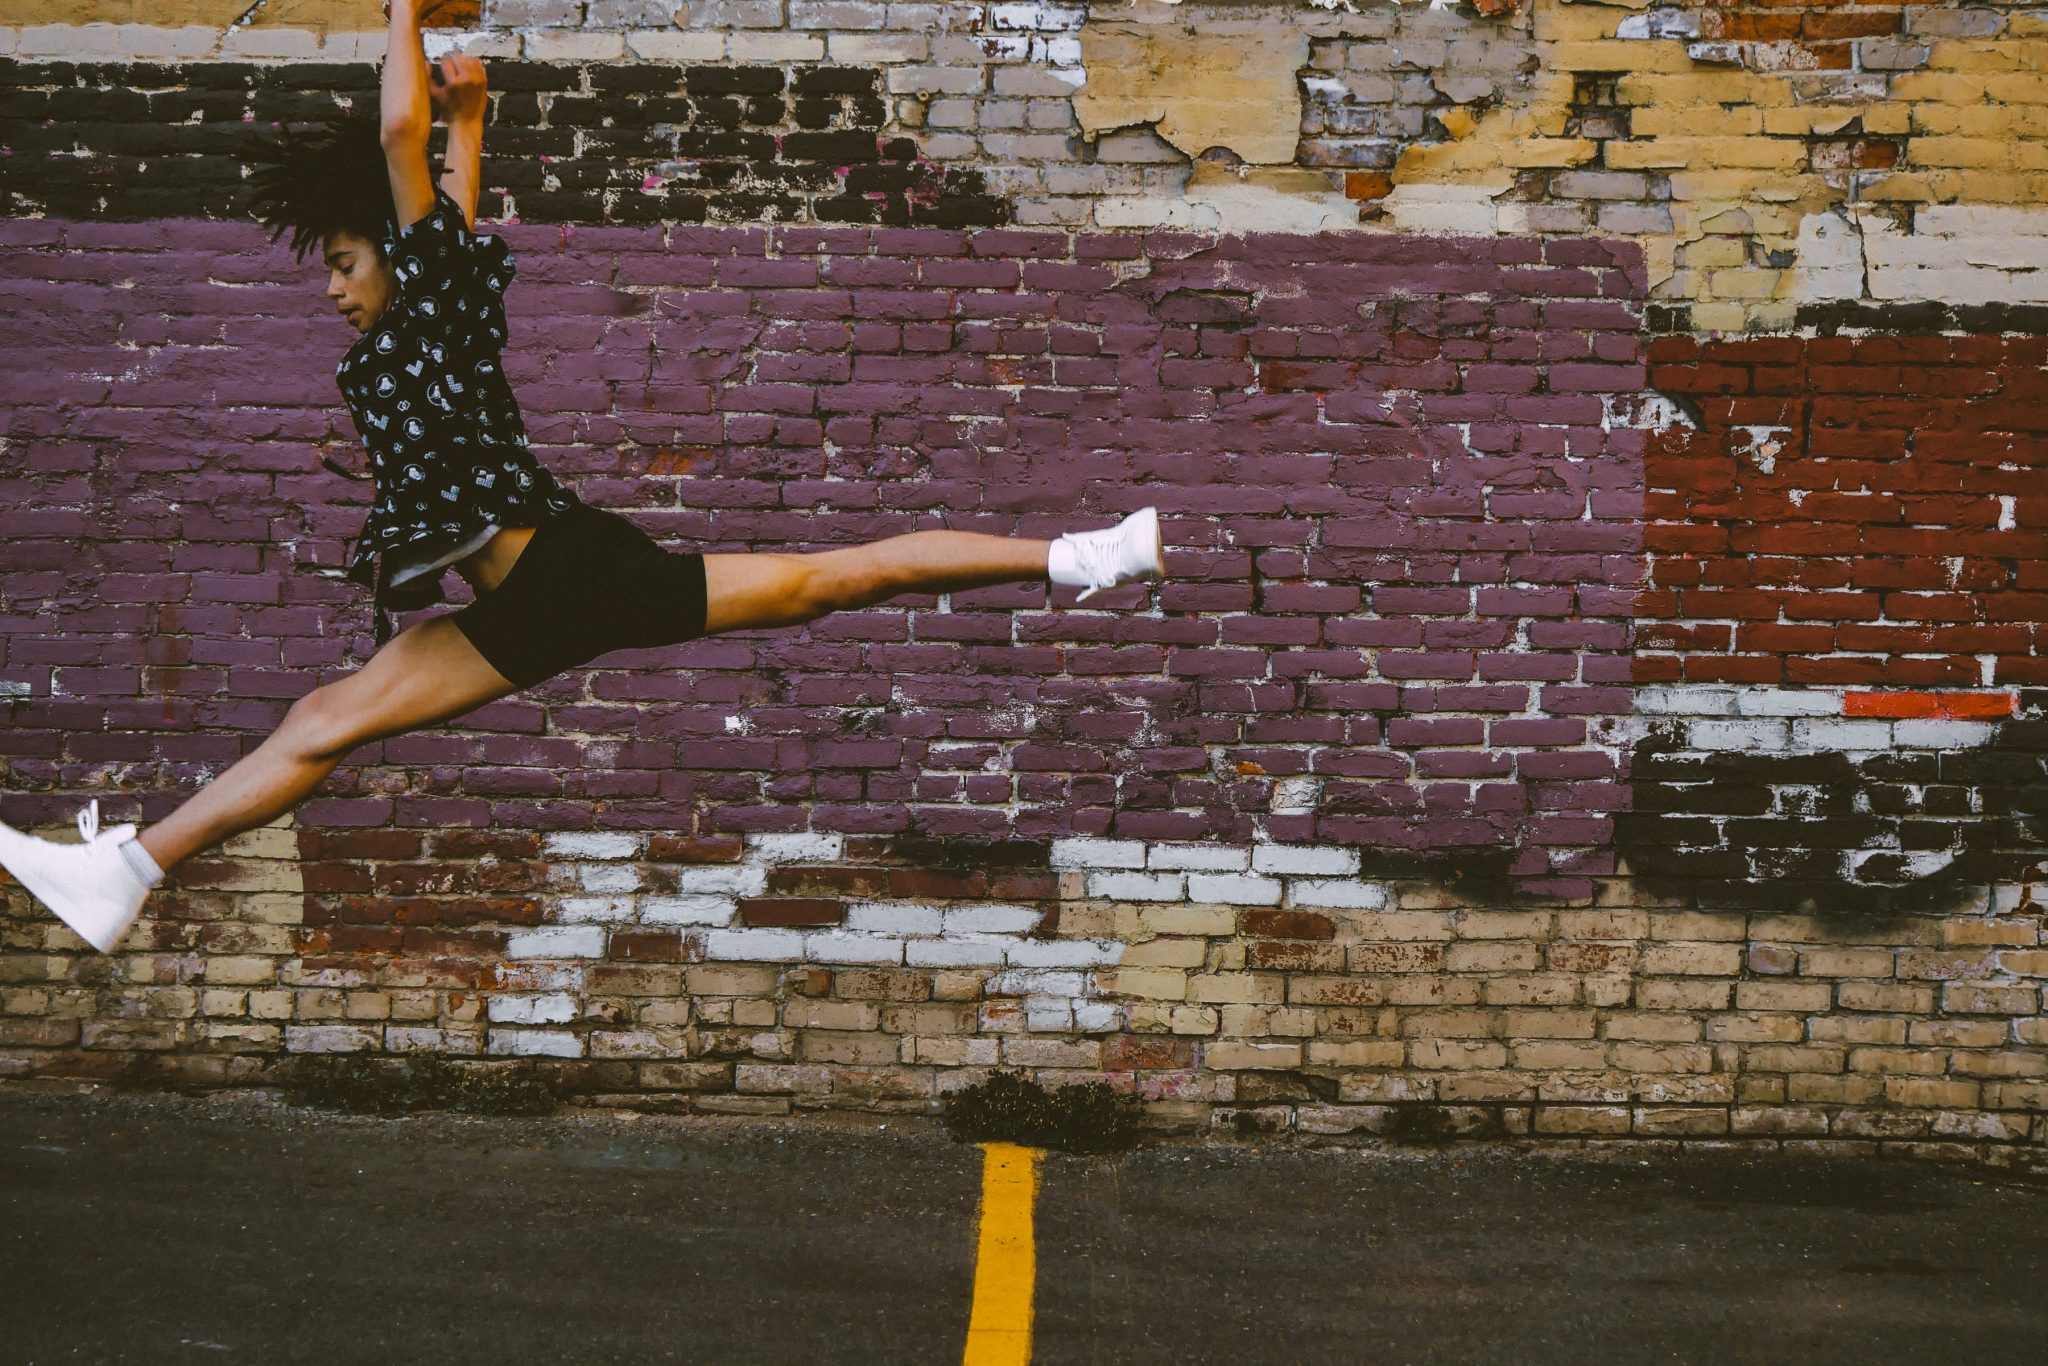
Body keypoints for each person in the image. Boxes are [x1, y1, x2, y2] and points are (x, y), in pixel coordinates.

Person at [0, 1, 1164, 955]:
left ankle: (1084, 555)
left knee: (828, 579)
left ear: (393, 264)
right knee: (322, 720)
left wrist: (405, 16)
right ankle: (126, 871)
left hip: (561, 571)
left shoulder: (428, 312)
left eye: (347, 262)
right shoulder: (436, 313)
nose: (332, 288)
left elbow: (397, 148)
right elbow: (439, 188)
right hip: (540, 590)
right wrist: (479, 116)